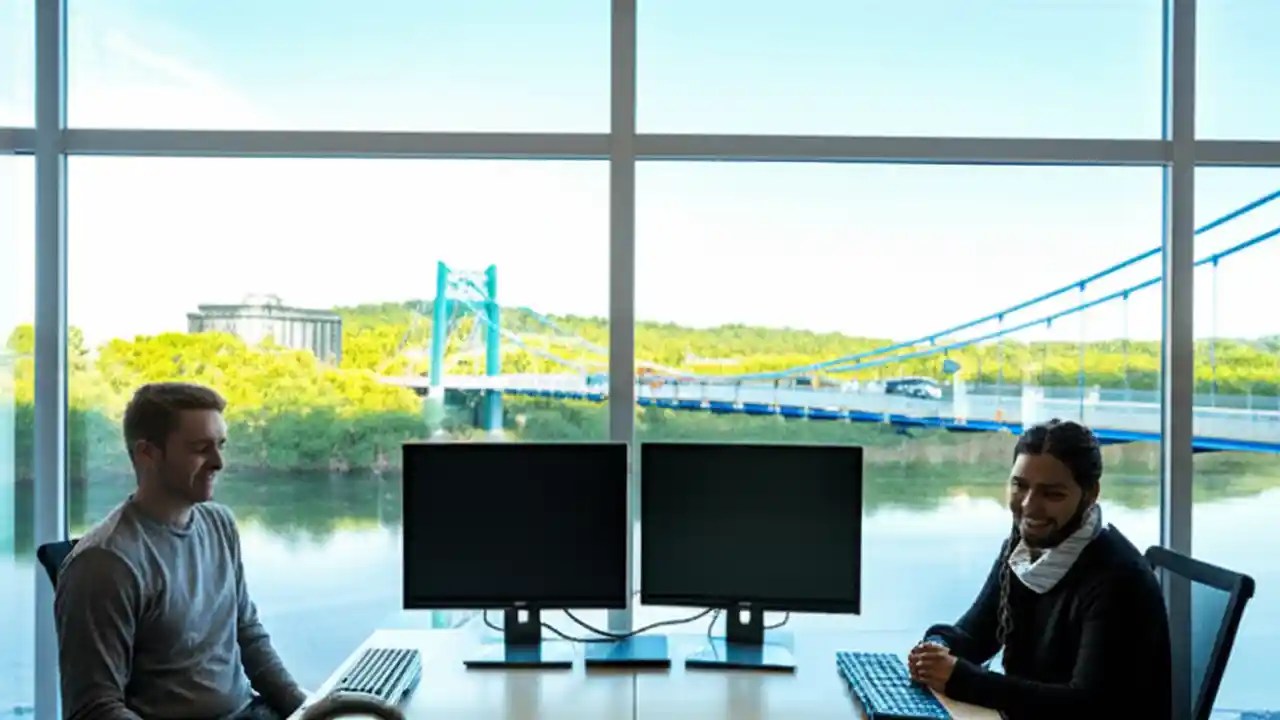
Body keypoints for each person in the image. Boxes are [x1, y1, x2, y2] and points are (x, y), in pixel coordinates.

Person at [55, 382, 308, 720]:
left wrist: (308, 711)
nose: (218, 462)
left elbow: (247, 635)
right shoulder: (104, 563)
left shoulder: (220, 524)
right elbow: (94, 709)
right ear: (148, 453)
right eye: (200, 448)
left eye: (220, 445)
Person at [907, 419, 1171, 719]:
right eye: (1020, 486)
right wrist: (935, 649)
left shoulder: (1120, 579)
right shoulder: (1023, 547)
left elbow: (1086, 706)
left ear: (1090, 494)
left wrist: (961, 679)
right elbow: (974, 637)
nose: (1030, 506)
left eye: (1052, 494)